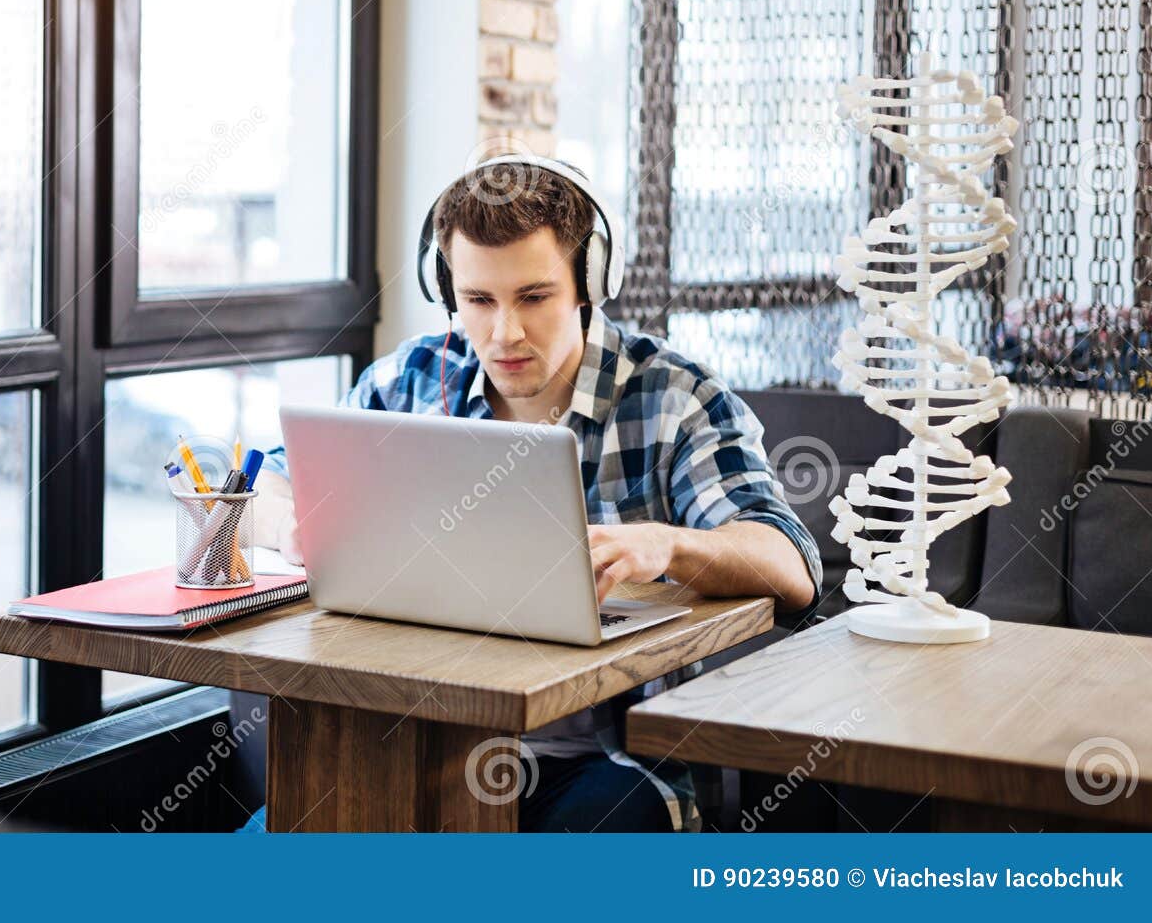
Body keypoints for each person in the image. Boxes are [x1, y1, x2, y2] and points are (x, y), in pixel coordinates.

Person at [242, 153, 821, 833]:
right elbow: (259, 485)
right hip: (417, 737)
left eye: (534, 297)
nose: (504, 332)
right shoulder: (410, 381)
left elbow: (792, 567)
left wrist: (666, 543)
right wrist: (289, 522)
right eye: (479, 300)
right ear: (447, 287)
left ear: (589, 282)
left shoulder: (675, 396)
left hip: (605, 762)